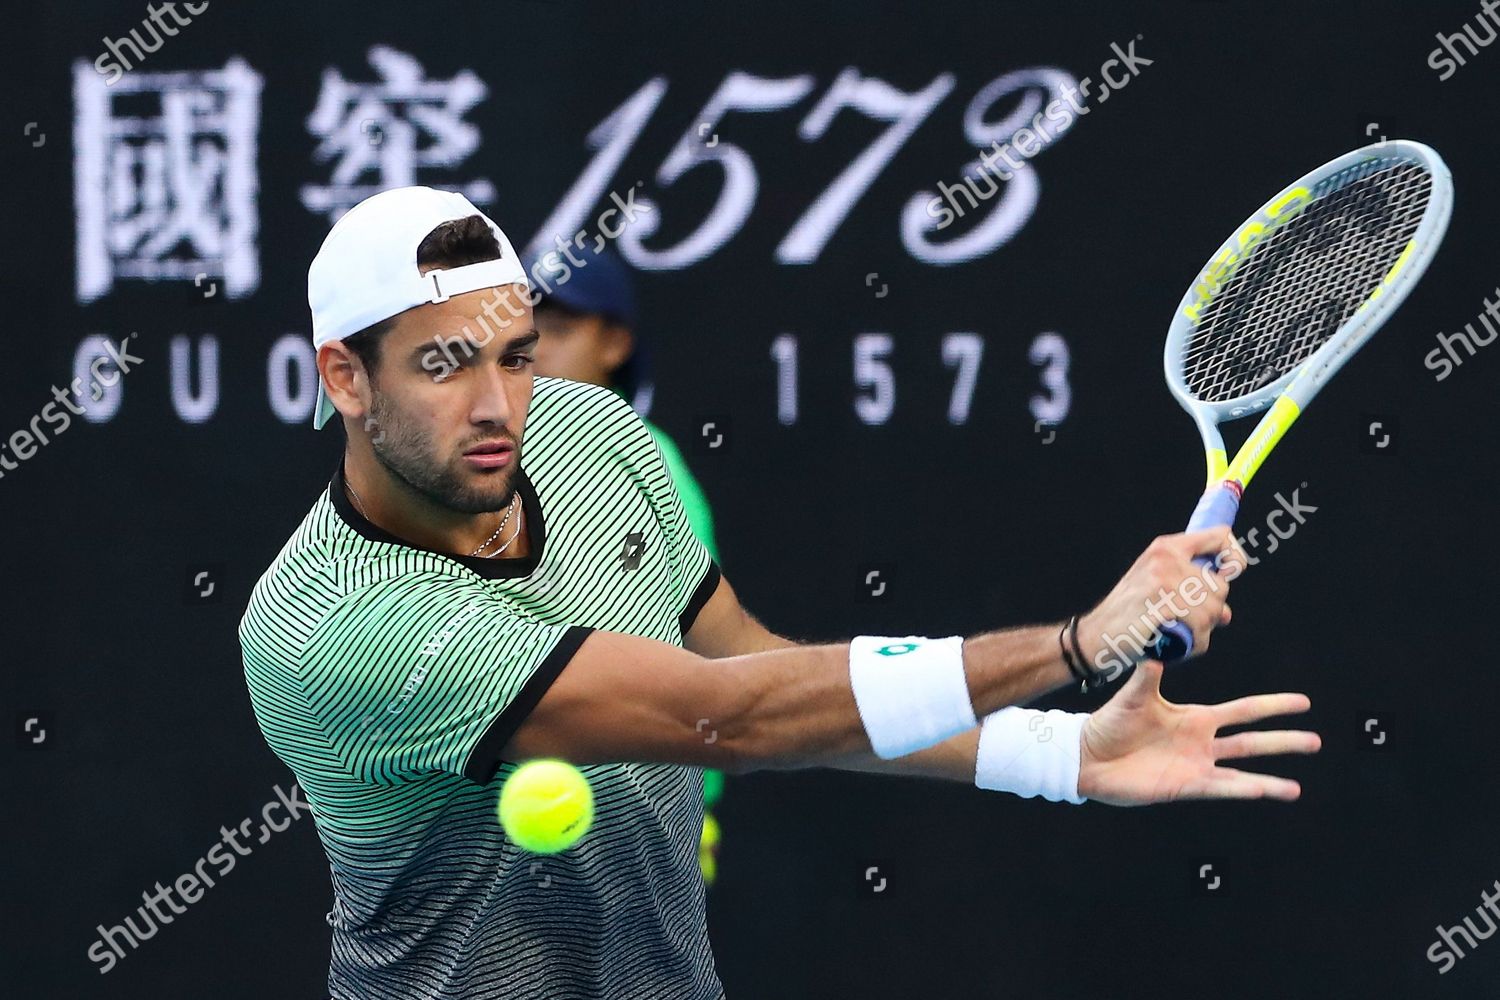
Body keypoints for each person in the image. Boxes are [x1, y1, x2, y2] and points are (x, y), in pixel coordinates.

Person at [240, 186, 1320, 1000]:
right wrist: (1081, 643)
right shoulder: (334, 626)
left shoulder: (593, 435)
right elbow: (730, 717)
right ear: (345, 376)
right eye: (445, 366)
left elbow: (751, 665)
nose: (498, 407)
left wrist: (1062, 753)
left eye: (517, 357)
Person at [522, 243, 728, 883]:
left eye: (556, 330)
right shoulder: (489, 461)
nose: (533, 352)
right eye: (518, 334)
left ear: (615, 343)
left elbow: (682, 651)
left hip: (632, 825)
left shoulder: (638, 461)